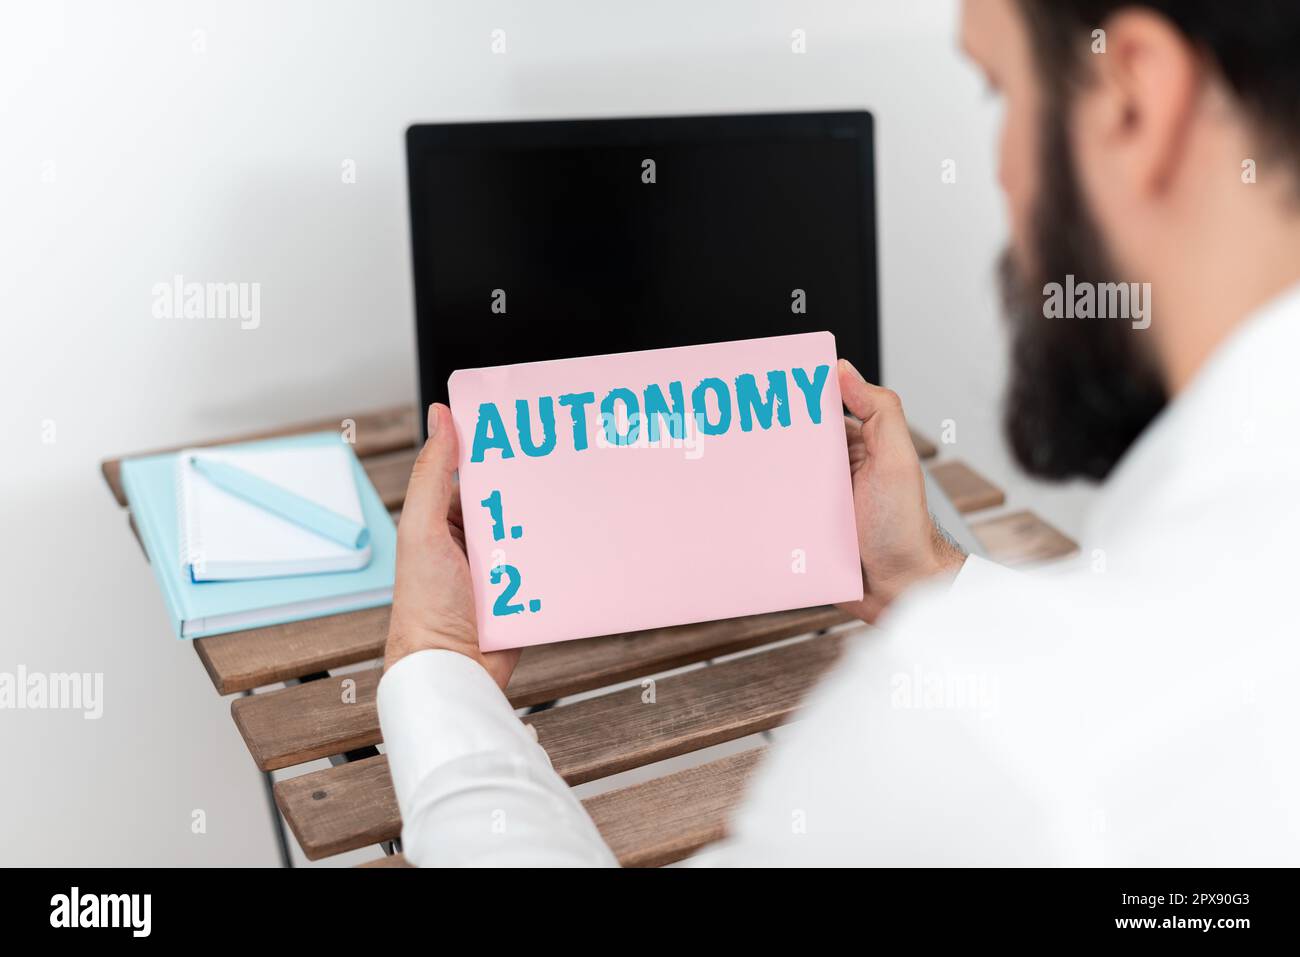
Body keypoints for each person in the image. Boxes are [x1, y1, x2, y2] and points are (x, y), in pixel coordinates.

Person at [377, 0, 1300, 865]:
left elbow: (1074, 705)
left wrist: (438, 665)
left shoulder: (985, 761)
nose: (1001, 169)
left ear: (1132, 98)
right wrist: (924, 575)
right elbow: (1128, 662)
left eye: (1001, 92)